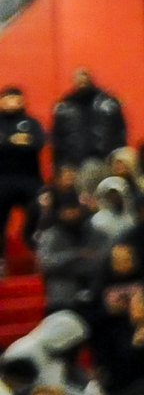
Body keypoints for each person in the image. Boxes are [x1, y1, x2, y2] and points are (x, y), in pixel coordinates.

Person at [48, 71, 124, 175]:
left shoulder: (108, 104)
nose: (82, 81)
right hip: (74, 165)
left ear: (91, 80)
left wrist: (118, 160)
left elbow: (119, 132)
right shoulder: (64, 107)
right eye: (79, 79)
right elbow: (57, 138)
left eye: (85, 78)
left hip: (105, 160)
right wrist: (61, 165)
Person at [0, 90, 44, 260]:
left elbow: (37, 144)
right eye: (7, 98)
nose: (11, 102)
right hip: (2, 180)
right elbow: (25, 144)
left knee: (43, 211)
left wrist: (5, 143)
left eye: (15, 98)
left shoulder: (32, 123)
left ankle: (39, 253)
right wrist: (16, 141)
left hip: (30, 180)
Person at [31, 202, 97, 316]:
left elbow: (97, 258)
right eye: (68, 210)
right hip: (61, 297)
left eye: (75, 209)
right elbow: (45, 263)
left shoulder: (90, 232)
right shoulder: (50, 236)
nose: (73, 214)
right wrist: (76, 254)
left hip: (89, 293)